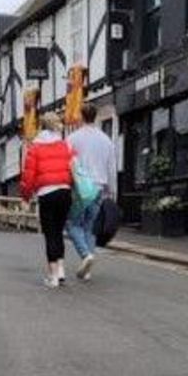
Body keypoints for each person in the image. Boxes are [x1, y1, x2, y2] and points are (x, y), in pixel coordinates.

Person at [21, 112, 73, 288]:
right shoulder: (64, 145)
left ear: (41, 126)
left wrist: (25, 197)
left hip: (47, 193)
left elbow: (29, 175)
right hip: (65, 192)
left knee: (50, 233)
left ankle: (53, 277)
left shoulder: (35, 147)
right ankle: (61, 271)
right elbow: (72, 168)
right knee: (59, 232)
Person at [66, 103, 117, 281]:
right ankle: (87, 268)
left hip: (80, 187)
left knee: (73, 224)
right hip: (99, 188)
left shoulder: (72, 138)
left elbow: (68, 163)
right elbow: (111, 167)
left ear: (81, 116)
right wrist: (111, 190)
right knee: (90, 227)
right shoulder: (106, 140)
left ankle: (86, 255)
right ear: (95, 117)